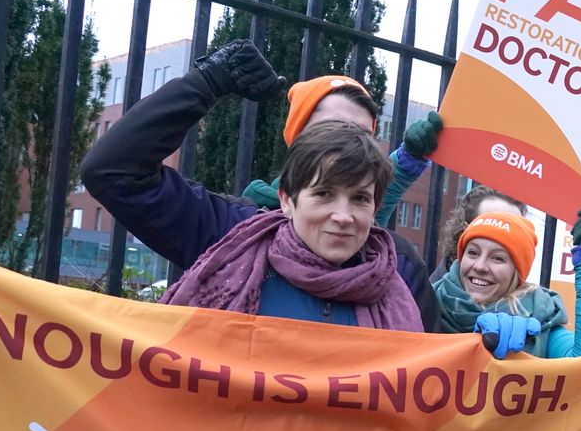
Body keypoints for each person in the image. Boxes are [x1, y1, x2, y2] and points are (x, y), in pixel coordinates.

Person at [80, 39, 441, 332]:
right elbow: (113, 171)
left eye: (359, 135)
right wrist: (207, 81)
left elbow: (438, 378)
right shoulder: (232, 235)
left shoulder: (399, 262)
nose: (342, 146)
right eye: (327, 130)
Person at [159, 121, 419, 331]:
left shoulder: (403, 283)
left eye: (360, 198)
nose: (343, 216)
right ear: (286, 200)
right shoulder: (237, 270)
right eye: (324, 194)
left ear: (376, 207)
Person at [432, 208, 581, 358]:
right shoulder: (427, 303)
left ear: (517, 272)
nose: (480, 266)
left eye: (497, 258)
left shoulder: (540, 323)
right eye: (472, 252)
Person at [434, 184, 529, 279]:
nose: (501, 240)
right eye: (490, 228)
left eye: (513, 232)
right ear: (464, 232)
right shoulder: (427, 292)